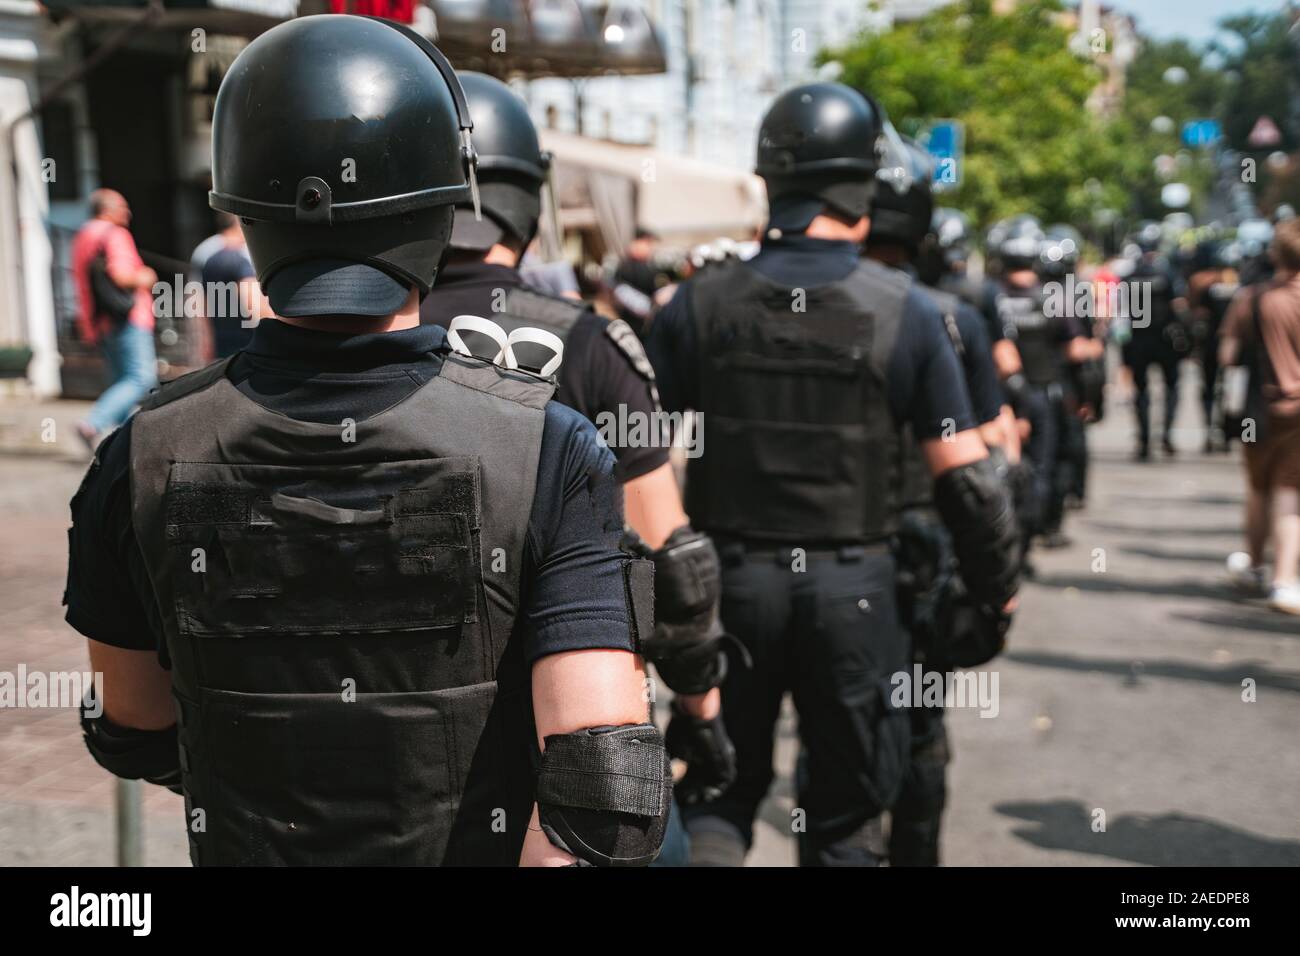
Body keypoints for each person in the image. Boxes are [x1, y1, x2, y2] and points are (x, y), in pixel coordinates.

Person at [65, 15, 670, 867]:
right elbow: (602, 788)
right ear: (442, 205)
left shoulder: (140, 453)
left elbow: (133, 727)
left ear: (243, 211)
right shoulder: (549, 447)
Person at [647, 82, 1020, 867]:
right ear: (864, 185)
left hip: (731, 587)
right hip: (856, 594)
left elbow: (634, 457)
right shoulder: (911, 311)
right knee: (846, 817)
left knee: (719, 793)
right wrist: (996, 589)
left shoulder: (694, 304)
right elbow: (966, 479)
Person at [417, 73, 736, 823]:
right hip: (569, 725)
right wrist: (703, 710)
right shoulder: (586, 342)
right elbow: (673, 564)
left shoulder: (361, 342)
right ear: (529, 199)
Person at [861, 137, 1017, 866]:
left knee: (840, 744)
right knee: (919, 729)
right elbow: (983, 456)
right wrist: (997, 584)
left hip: (823, 561)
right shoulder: (947, 315)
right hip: (920, 552)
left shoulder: (794, 303)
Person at [1219, 217, 1300, 615]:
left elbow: (1227, 357)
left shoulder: (1250, 299)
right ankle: (1285, 581)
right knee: (1291, 494)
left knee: (1257, 488)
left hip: (1258, 411)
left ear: (1274, 254)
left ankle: (1254, 565)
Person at [70, 188, 159, 449]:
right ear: (106, 209)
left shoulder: (82, 236)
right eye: (122, 207)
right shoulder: (115, 234)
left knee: (121, 381)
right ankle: (92, 424)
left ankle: (126, 443)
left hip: (100, 321)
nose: (128, 213)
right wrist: (147, 275)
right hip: (129, 317)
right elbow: (121, 275)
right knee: (141, 378)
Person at [1119, 221, 1189, 461]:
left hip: (1138, 339)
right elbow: (1179, 305)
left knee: (1141, 391)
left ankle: (1145, 440)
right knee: (1171, 388)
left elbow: (1120, 309)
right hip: (1164, 339)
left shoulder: (1128, 275)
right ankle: (1166, 435)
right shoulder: (1167, 273)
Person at [198, 215, 266, 358]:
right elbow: (253, 306)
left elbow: (200, 305)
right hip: (245, 345)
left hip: (220, 344)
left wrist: (206, 341)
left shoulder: (208, 257)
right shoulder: (238, 261)